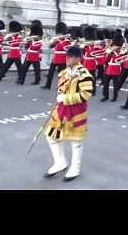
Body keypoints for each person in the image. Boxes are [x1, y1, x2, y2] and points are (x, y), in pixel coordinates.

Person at [43, 46, 93, 181]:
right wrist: (59, 98)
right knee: (51, 136)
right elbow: (60, 90)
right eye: (67, 56)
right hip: (61, 110)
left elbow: (86, 95)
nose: (67, 59)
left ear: (78, 59)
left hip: (76, 112)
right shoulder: (63, 73)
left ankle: (75, 167)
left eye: (70, 57)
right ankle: (60, 162)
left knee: (75, 141)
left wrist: (66, 98)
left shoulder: (84, 74)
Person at [42, 22, 70, 90]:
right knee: (50, 72)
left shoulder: (67, 40)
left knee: (62, 74)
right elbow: (50, 46)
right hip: (55, 58)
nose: (58, 34)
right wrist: (55, 41)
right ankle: (47, 85)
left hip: (62, 59)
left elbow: (66, 49)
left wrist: (61, 41)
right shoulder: (57, 39)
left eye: (60, 33)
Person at [100, 32, 124, 102]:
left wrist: (115, 51)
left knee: (115, 85)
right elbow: (105, 60)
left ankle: (115, 97)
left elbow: (120, 59)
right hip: (108, 68)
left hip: (116, 69)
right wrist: (108, 52)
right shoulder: (111, 48)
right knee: (105, 83)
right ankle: (105, 96)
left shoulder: (122, 49)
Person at [80, 26, 98, 96]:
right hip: (84, 62)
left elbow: (93, 53)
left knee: (92, 77)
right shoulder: (85, 44)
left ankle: (93, 90)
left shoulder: (94, 45)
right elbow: (82, 52)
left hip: (91, 63)